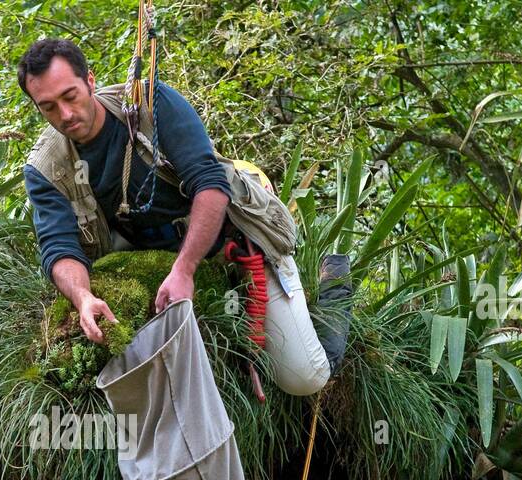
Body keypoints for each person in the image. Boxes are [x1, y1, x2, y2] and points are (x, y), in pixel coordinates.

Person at [18, 37, 340, 396]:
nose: (65, 114)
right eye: (48, 107)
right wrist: (82, 298)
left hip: (232, 232)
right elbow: (58, 247)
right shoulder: (44, 168)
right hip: (146, 248)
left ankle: (335, 286)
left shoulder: (149, 104)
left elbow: (211, 184)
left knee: (305, 379)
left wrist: (185, 270)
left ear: (90, 80)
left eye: (70, 96)